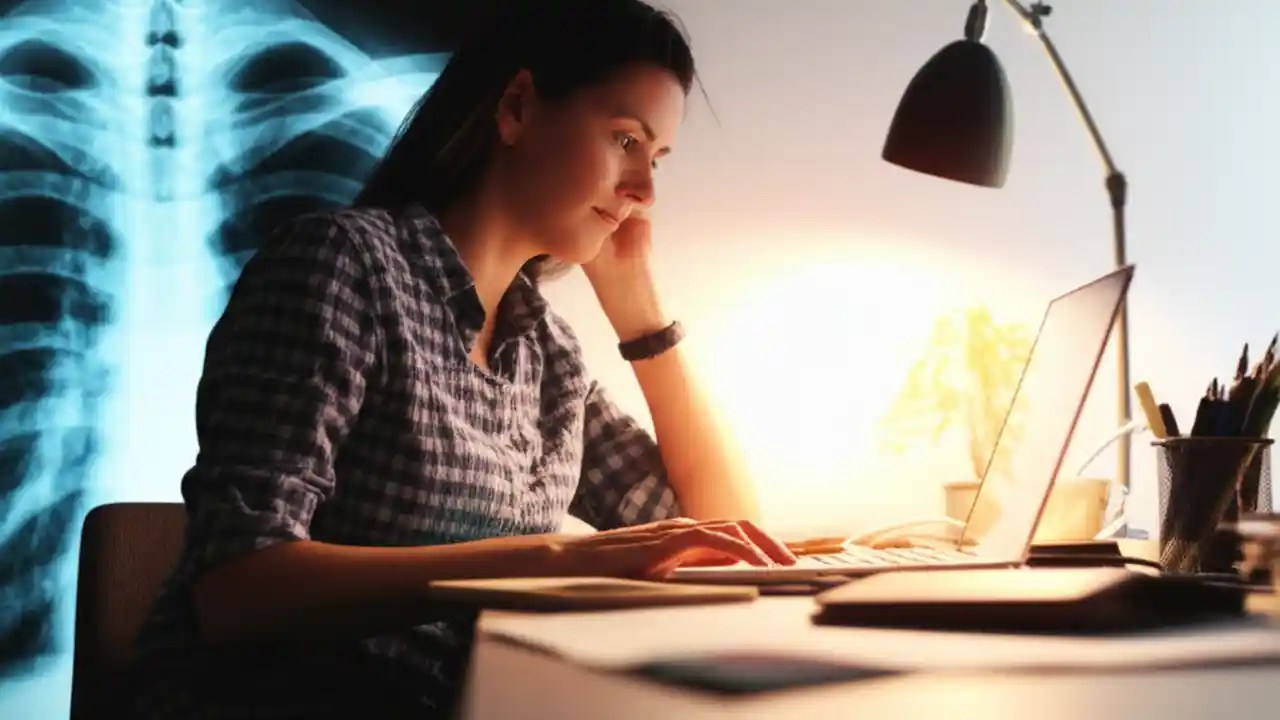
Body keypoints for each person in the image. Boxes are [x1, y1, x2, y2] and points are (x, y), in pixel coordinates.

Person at [128, 0, 796, 717]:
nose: (645, 192)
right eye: (626, 140)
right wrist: (553, 560)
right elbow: (237, 588)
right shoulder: (342, 267)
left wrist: (645, 321)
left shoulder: (547, 354)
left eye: (657, 158)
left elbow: (723, 533)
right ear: (515, 108)